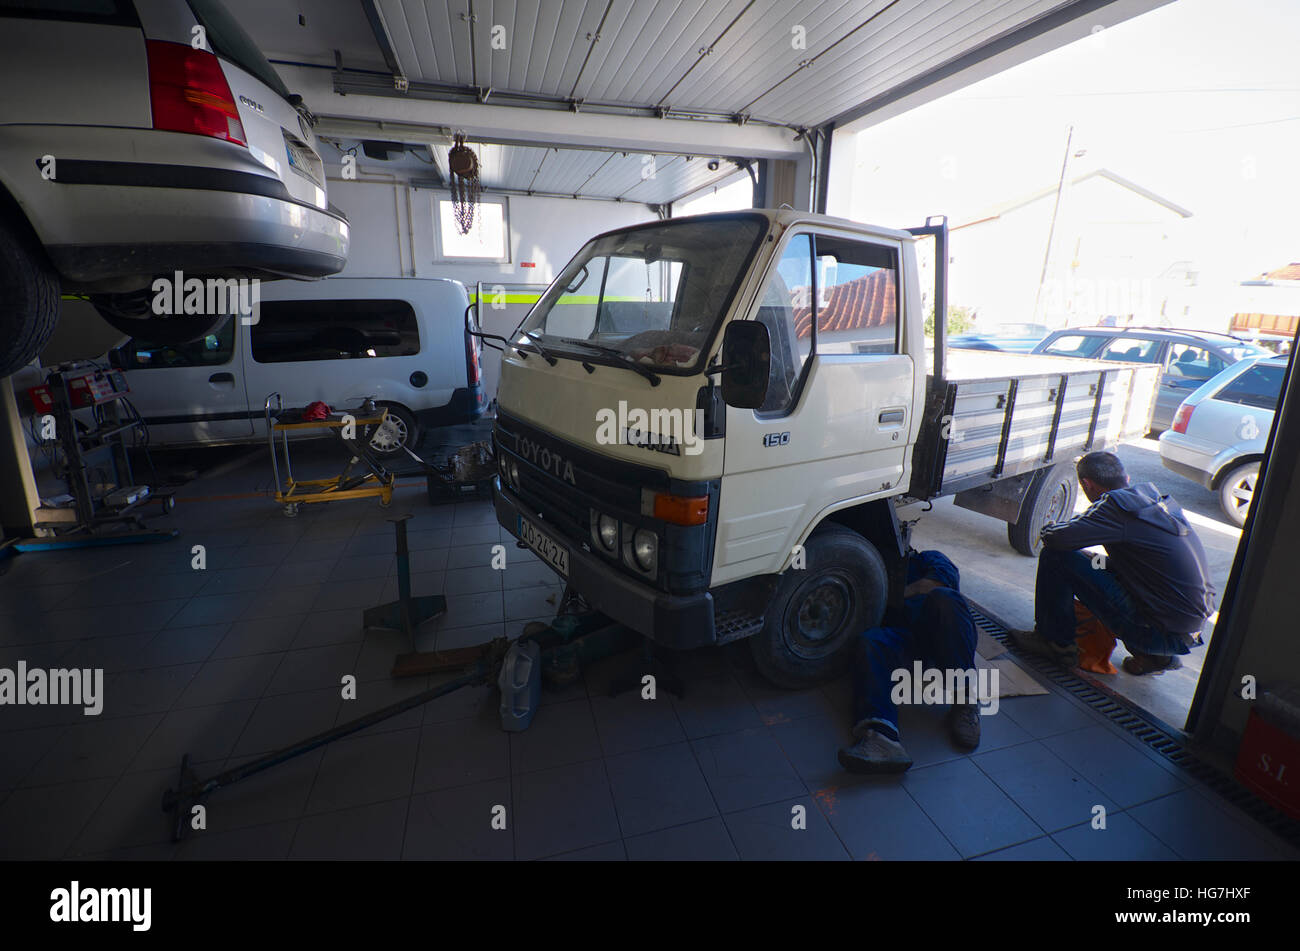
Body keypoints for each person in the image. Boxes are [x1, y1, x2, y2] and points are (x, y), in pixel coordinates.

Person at [1012, 451, 1216, 675]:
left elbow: (1057, 538)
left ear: (1087, 485)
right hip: (1185, 632)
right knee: (1090, 562)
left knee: (1056, 557)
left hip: (1156, 630)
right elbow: (1134, 568)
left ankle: (1055, 643)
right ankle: (1157, 658)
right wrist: (1092, 559)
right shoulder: (1153, 500)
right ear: (1126, 478)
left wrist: (1050, 527)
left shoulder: (1115, 506)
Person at [839, 549, 981, 774]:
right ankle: (882, 739)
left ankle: (965, 701)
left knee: (944, 598)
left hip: (945, 636)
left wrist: (895, 593)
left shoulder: (928, 558)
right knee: (871, 641)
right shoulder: (875, 569)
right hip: (909, 641)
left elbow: (940, 583)